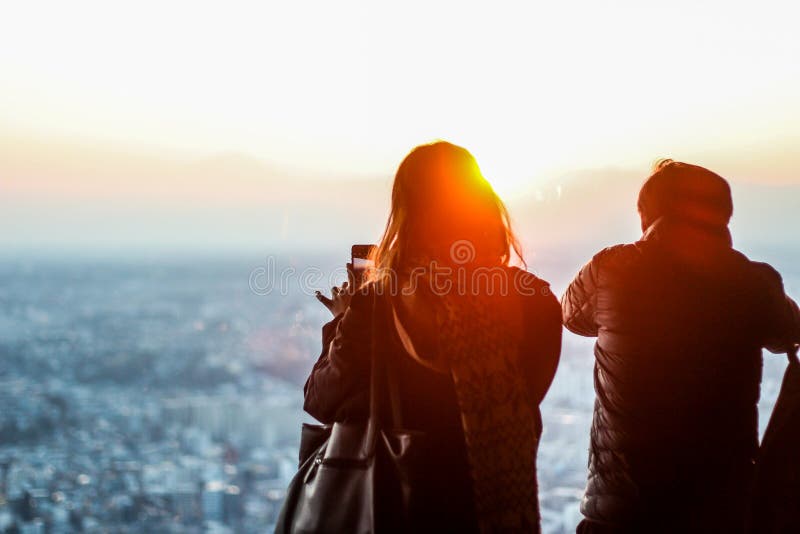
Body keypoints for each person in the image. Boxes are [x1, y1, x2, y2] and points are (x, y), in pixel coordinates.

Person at [305, 141, 562, 532]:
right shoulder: (536, 300)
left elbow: (320, 400)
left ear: (406, 216)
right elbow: (526, 397)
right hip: (492, 510)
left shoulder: (377, 305)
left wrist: (342, 321)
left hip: (398, 509)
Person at [562, 159, 800, 533]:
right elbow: (790, 332)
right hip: (720, 510)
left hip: (622, 509)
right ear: (724, 216)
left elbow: (572, 316)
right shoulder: (755, 284)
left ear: (647, 214)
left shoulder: (611, 269)